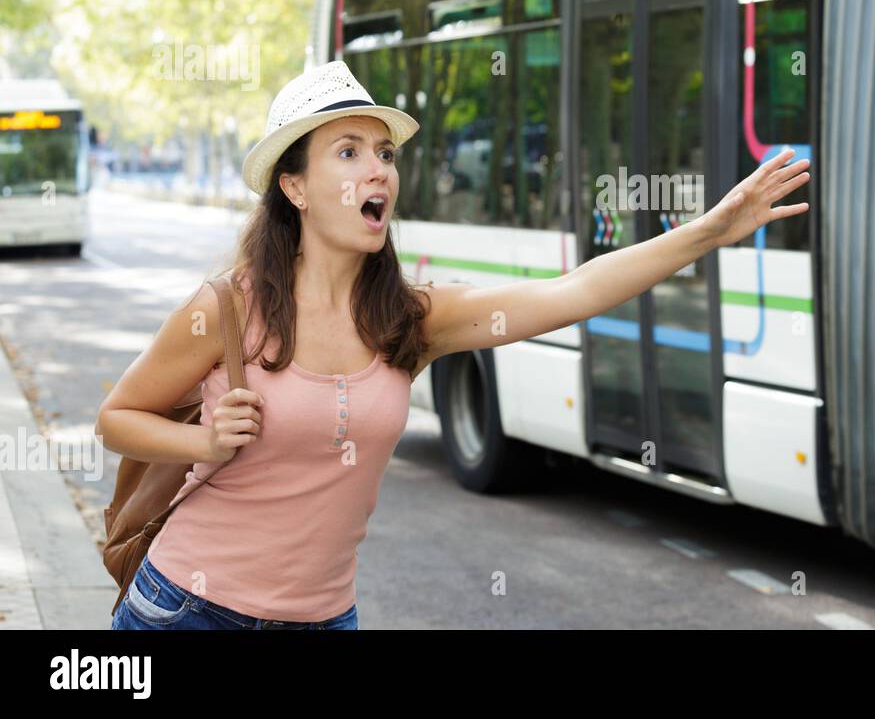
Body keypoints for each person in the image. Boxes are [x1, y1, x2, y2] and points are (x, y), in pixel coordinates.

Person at [96, 60, 811, 629]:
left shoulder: (410, 320)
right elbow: (116, 419)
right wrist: (206, 444)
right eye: (347, 152)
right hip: (190, 611)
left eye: (383, 152)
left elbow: (573, 292)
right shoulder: (227, 309)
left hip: (323, 620)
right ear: (295, 187)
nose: (378, 168)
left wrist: (708, 233)